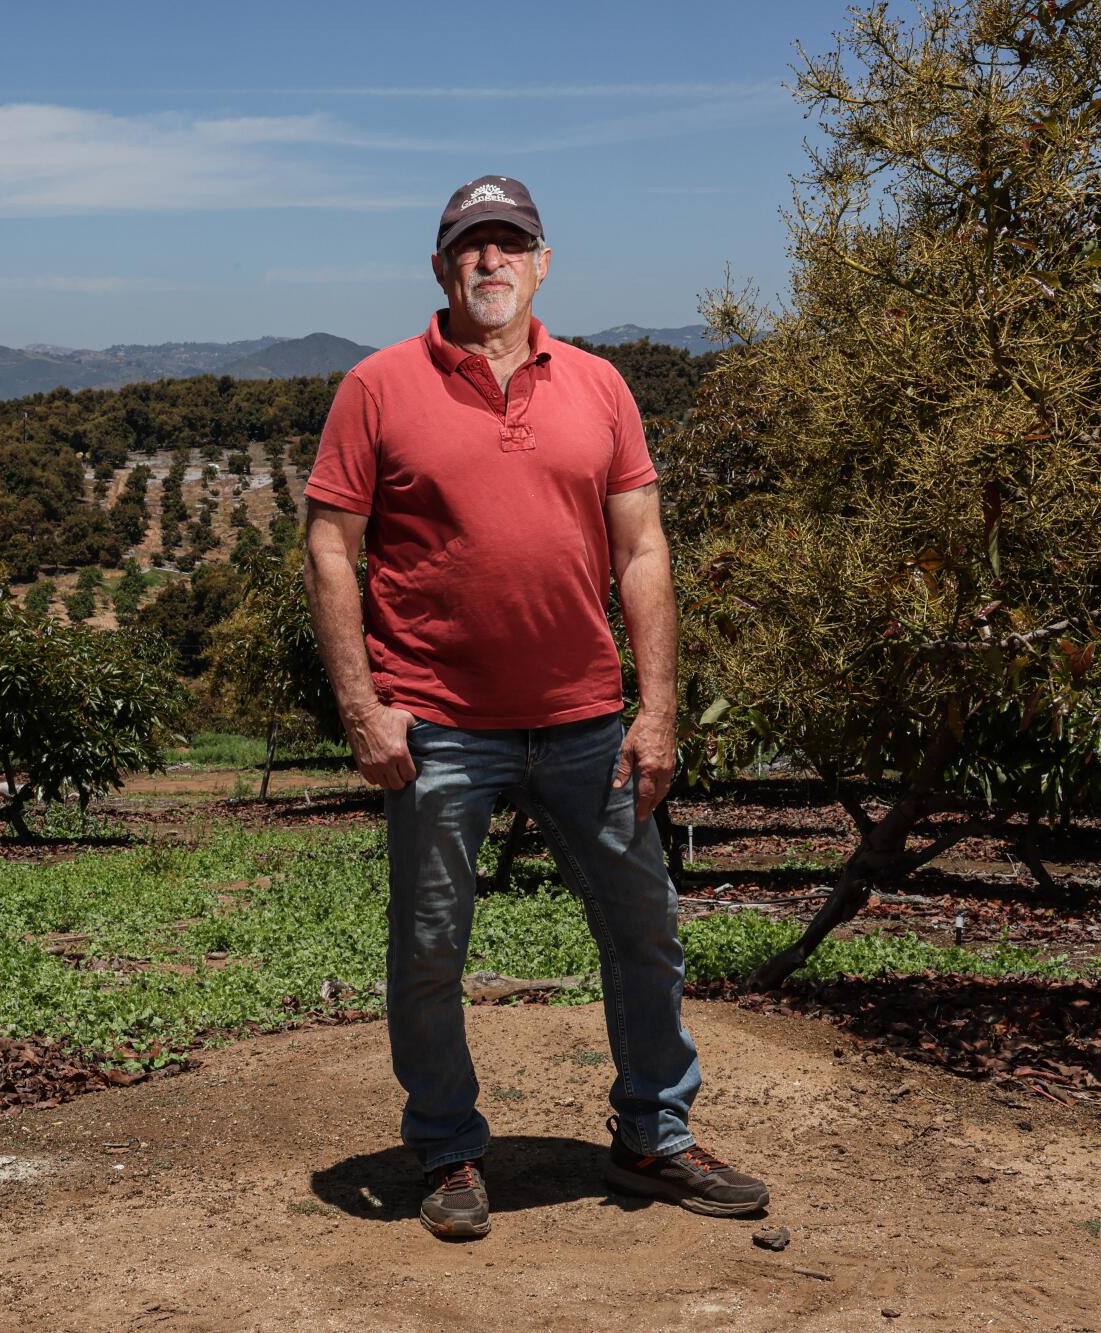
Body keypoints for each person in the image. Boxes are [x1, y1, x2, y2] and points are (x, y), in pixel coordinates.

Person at [302, 175, 770, 1239]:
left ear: (541, 263)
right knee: (428, 945)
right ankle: (449, 1150)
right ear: (439, 268)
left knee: (643, 928)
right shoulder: (375, 387)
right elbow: (331, 548)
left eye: (509, 243)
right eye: (470, 246)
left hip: (584, 719)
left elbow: (642, 551)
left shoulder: (600, 386)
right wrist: (361, 706)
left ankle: (654, 1131)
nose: (490, 263)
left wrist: (657, 709)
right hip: (436, 726)